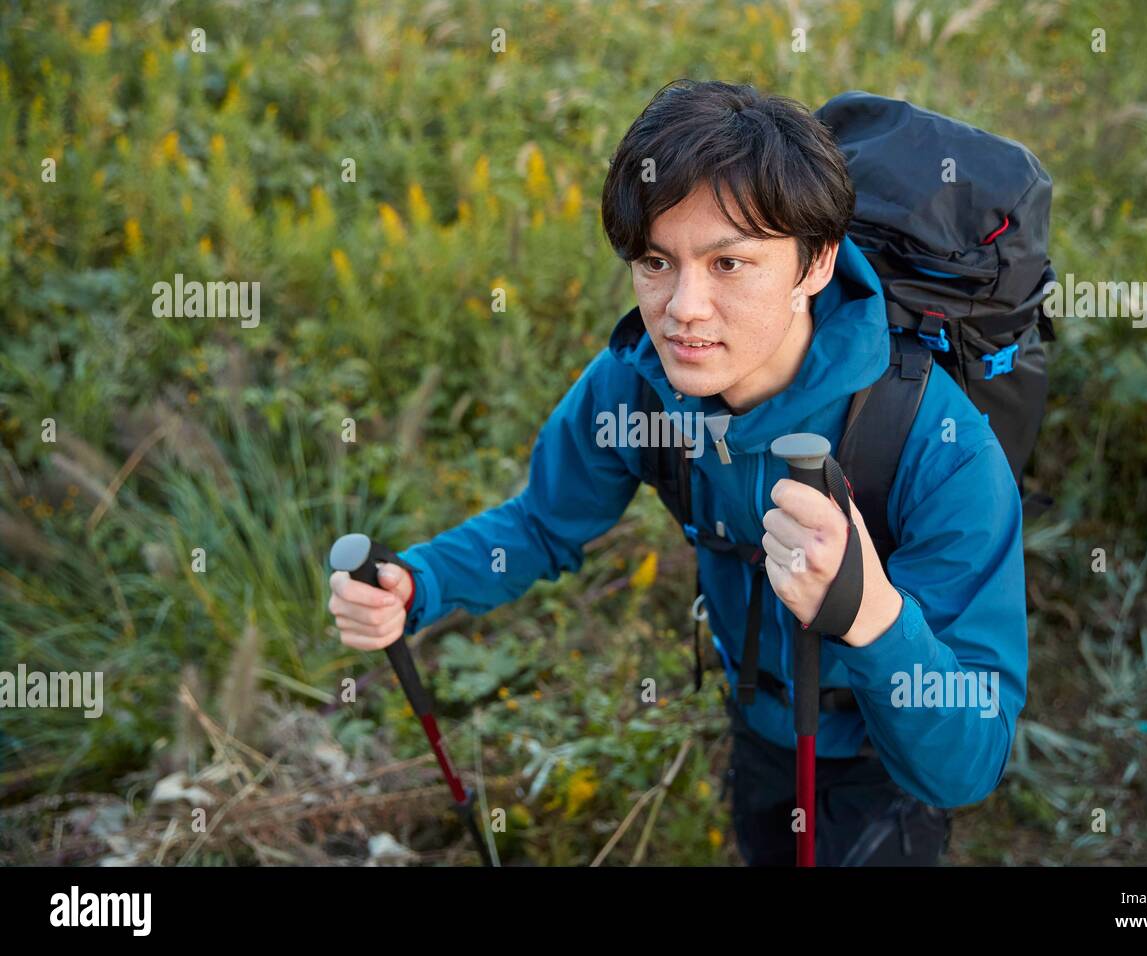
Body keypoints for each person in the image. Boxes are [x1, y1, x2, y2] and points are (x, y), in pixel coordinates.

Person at [327, 79, 1028, 866]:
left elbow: (966, 763)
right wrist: (419, 585)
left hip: (883, 769)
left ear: (816, 264)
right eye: (658, 261)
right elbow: (541, 523)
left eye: (730, 263)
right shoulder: (642, 383)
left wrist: (870, 614)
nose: (683, 309)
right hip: (756, 723)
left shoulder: (939, 446)